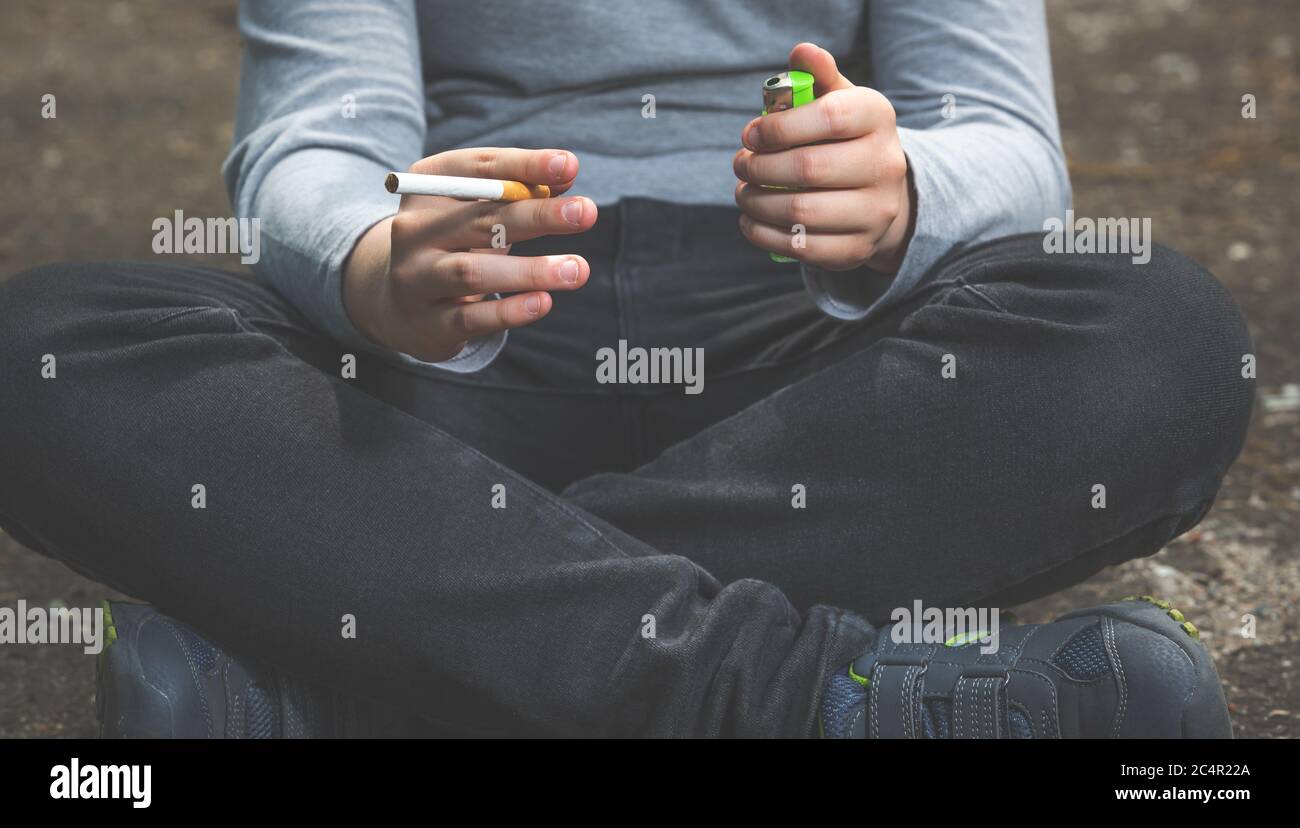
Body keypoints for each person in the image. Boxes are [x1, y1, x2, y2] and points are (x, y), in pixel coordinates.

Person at [0, 0, 1252, 738]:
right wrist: (376, 257)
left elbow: (1007, 141)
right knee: (44, 351)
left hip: (807, 373)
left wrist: (906, 191)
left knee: (1162, 337)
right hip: (449, 343)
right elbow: (312, 141)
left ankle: (346, 675)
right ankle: (815, 697)